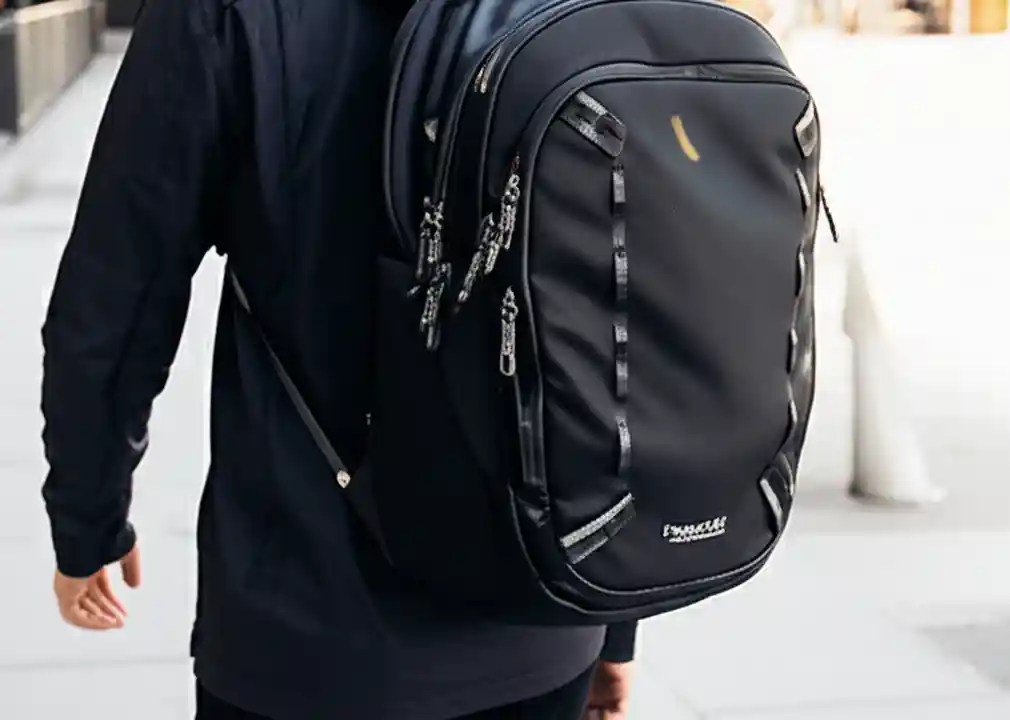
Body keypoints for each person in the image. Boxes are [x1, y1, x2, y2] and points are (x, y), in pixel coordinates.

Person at [39, 0, 637, 718]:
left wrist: (88, 519)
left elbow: (115, 300)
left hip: (301, 631)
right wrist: (614, 616)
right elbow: (620, 305)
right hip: (539, 622)